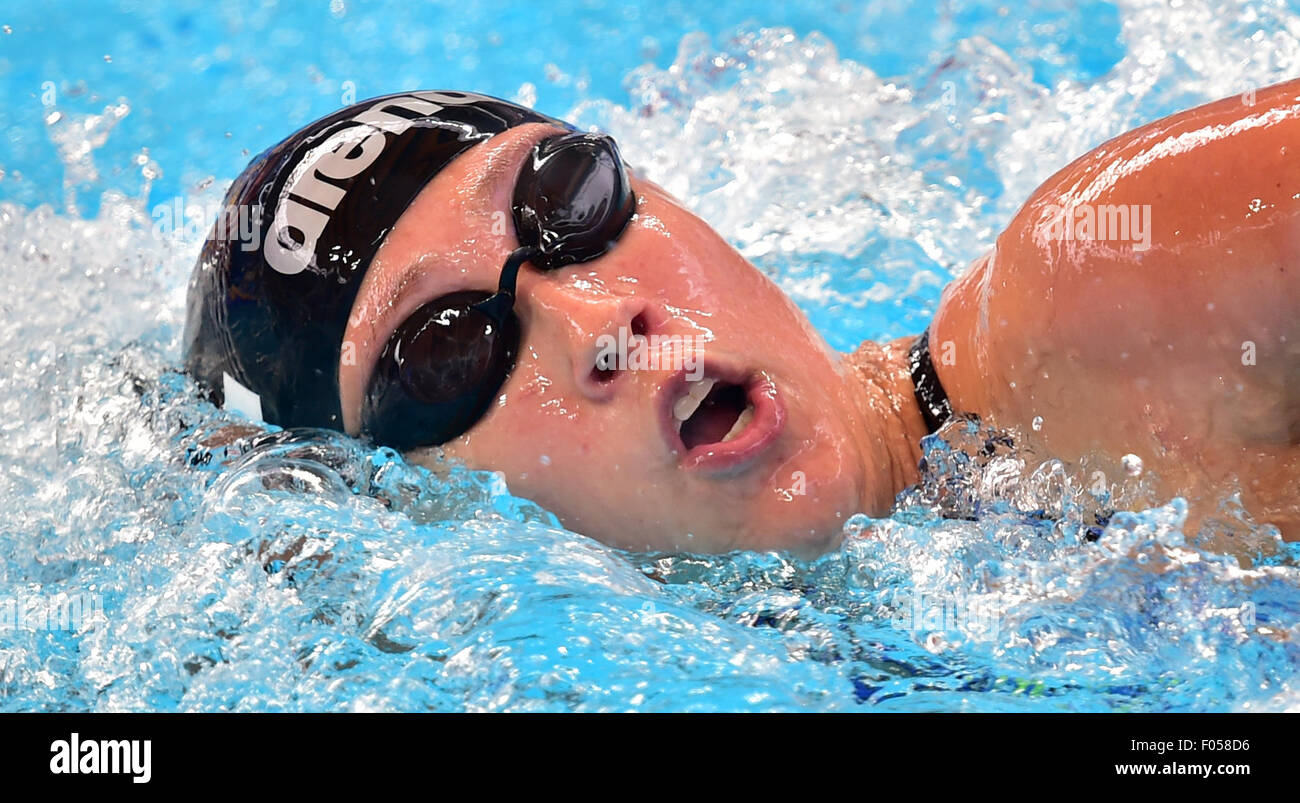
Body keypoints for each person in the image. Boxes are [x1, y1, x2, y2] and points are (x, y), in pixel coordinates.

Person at [184, 83, 1300, 556]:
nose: (603, 316)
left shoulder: (1100, 295)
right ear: (395, 516)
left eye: (565, 199)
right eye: (451, 348)